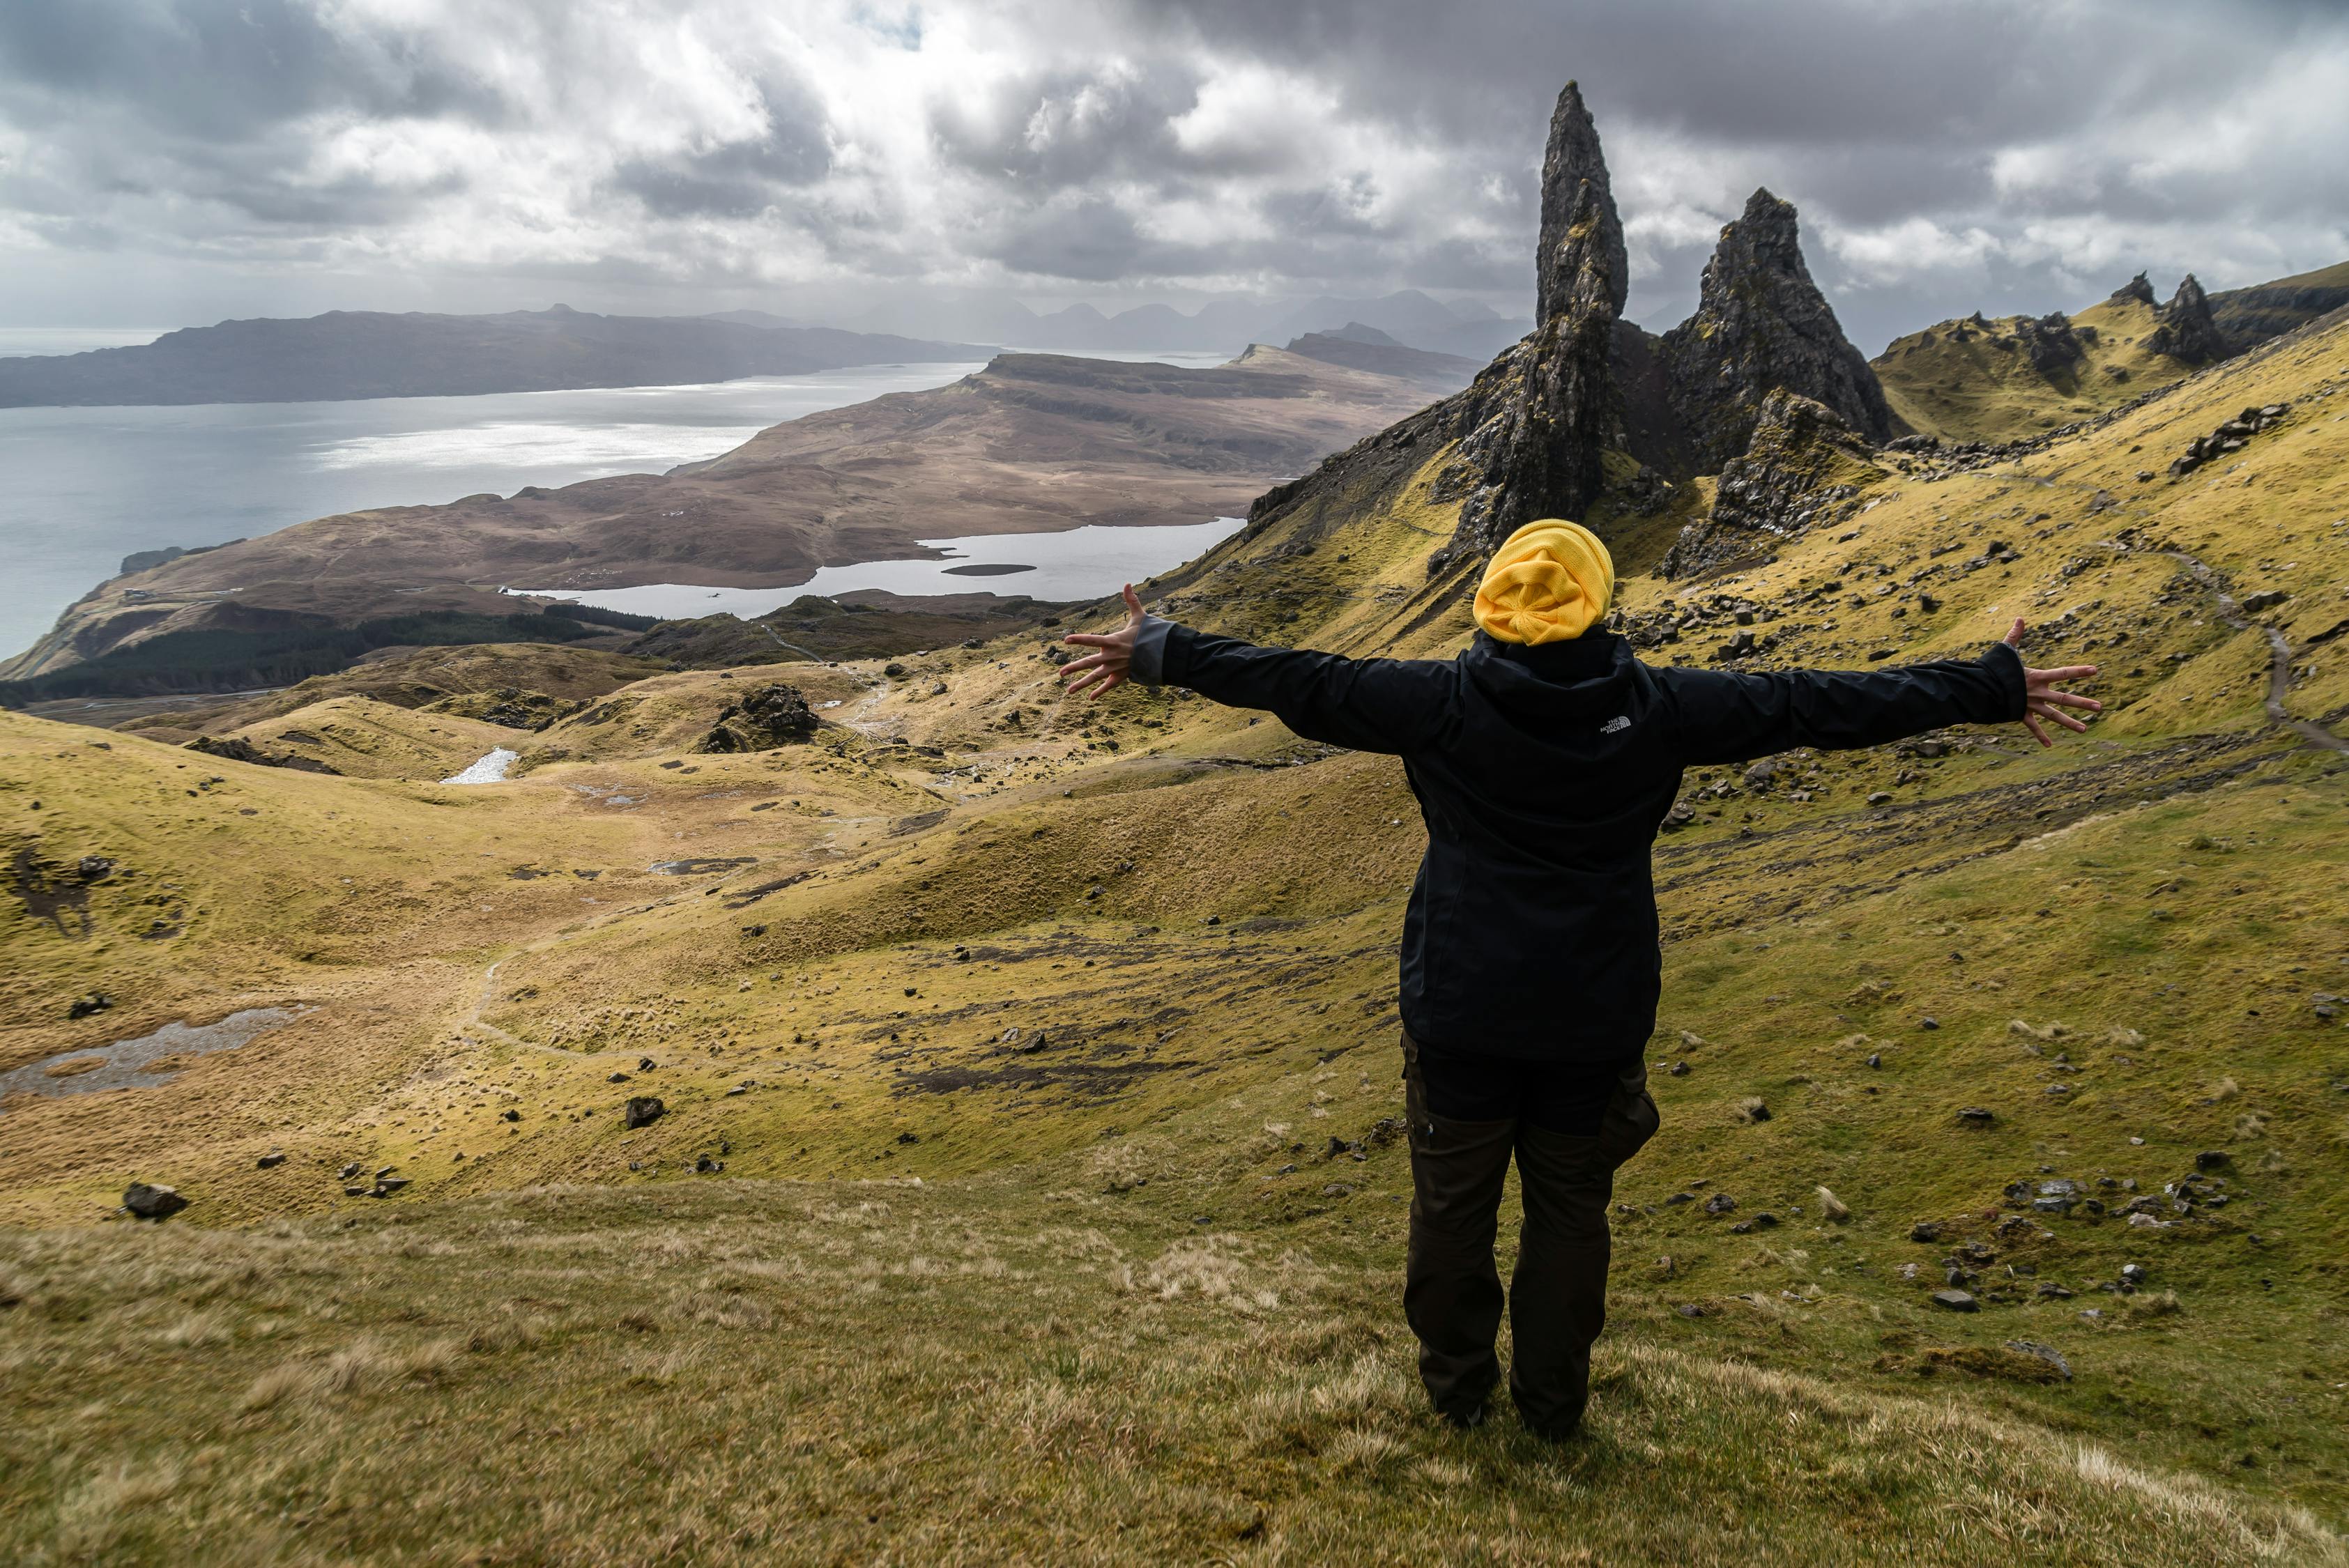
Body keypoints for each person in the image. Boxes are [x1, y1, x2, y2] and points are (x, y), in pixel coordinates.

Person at [1058, 519, 2102, 1438]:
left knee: (1451, 1208)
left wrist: (1163, 649)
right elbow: (1812, 704)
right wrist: (1988, 685)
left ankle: (1457, 1395)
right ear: (1600, 604)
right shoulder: (1661, 707)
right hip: (1593, 1012)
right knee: (1569, 1212)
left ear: (1489, 607)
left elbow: (1303, 679)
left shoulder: (1435, 702)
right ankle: (1552, 1411)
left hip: (1460, 1006)